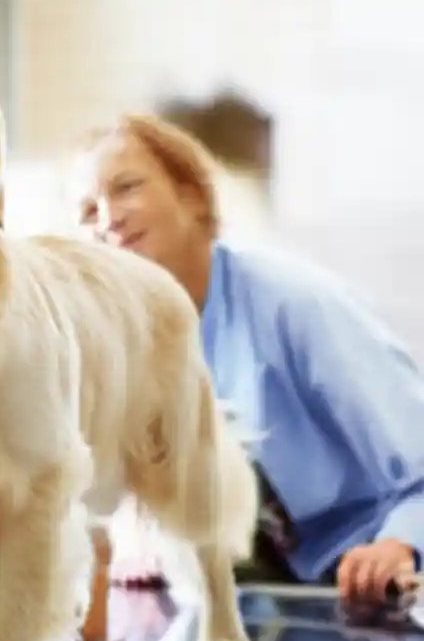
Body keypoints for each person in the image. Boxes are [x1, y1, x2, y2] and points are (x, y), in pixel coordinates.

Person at [69, 112, 424, 607]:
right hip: (269, 607)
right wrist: (140, 535)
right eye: (88, 212)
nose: (108, 219)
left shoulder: (293, 306)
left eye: (126, 188)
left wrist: (400, 544)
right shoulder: (127, 345)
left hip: (373, 593)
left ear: (192, 195)